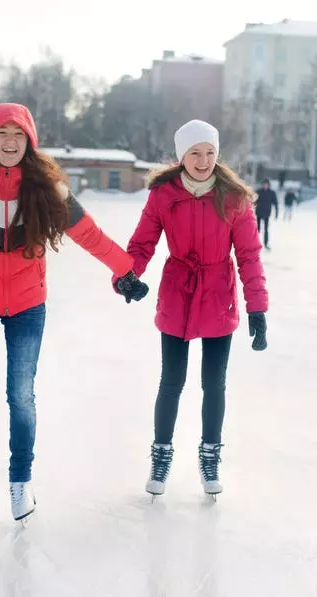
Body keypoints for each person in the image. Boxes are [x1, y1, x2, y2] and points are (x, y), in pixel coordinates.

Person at [0, 103, 148, 521]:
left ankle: (20, 481)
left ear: (30, 142)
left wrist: (124, 271)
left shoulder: (47, 189)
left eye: (19, 135)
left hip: (27, 304)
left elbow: (89, 233)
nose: (11, 143)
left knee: (21, 395)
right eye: (3, 134)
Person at [115, 120, 269, 498]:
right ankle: (161, 454)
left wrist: (257, 308)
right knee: (172, 381)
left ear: (218, 155)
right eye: (195, 153)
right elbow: (142, 243)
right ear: (182, 156)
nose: (203, 161)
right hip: (178, 291)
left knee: (214, 382)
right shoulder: (163, 195)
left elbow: (249, 256)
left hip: (218, 292)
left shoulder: (235, 198)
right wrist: (126, 275)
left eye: (209, 153)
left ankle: (210, 454)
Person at [255, 178, 279, 249]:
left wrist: (276, 213)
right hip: (259, 212)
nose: (265, 186)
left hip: (266, 213)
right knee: (257, 229)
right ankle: (256, 243)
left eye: (267, 184)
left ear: (269, 185)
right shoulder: (258, 191)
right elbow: (253, 201)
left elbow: (276, 203)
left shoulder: (272, 193)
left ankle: (266, 244)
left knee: (266, 229)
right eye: (264, 184)